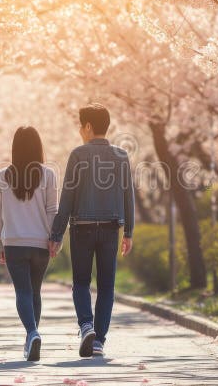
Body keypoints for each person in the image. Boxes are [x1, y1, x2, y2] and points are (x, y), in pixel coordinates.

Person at [49, 103, 135, 358]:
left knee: (81, 282)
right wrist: (129, 231)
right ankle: (99, 341)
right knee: (107, 286)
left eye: (80, 124)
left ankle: (86, 326)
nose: (79, 129)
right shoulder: (121, 156)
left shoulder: (78, 154)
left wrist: (56, 234)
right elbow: (128, 195)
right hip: (110, 229)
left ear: (87, 126)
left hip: (82, 229)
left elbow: (67, 197)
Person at [0, 126, 58, 362]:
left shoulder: (3, 175)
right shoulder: (49, 174)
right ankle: (32, 336)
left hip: (13, 242)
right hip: (41, 243)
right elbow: (53, 210)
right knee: (35, 291)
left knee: (22, 291)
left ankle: (32, 334)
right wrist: (55, 238)